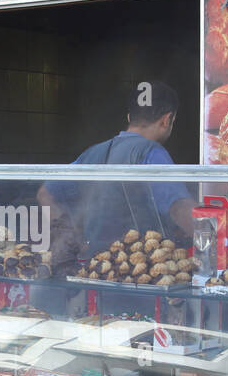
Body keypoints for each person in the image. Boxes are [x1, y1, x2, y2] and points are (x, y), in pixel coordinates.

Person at [39, 80, 196, 254]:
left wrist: (72, 239)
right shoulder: (151, 152)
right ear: (167, 120)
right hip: (138, 269)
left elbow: (45, 194)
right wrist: (215, 238)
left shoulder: (92, 153)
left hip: (95, 268)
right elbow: (179, 209)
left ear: (129, 118)